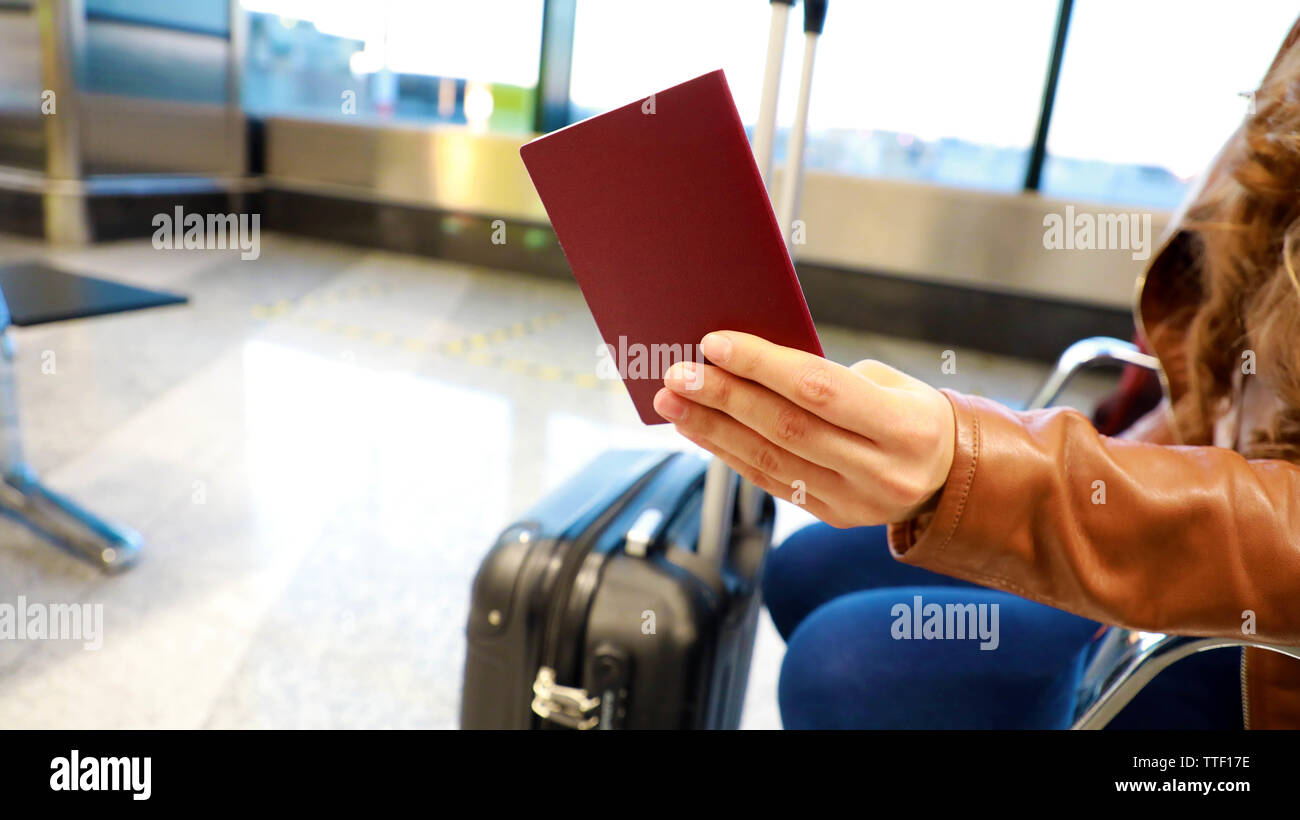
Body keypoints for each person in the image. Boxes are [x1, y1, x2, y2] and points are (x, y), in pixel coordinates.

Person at [651, 18, 1300, 729]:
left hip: (1252, 656)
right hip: (1203, 523)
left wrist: (980, 469)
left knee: (842, 667)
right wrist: (1116, 460)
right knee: (806, 565)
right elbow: (1232, 392)